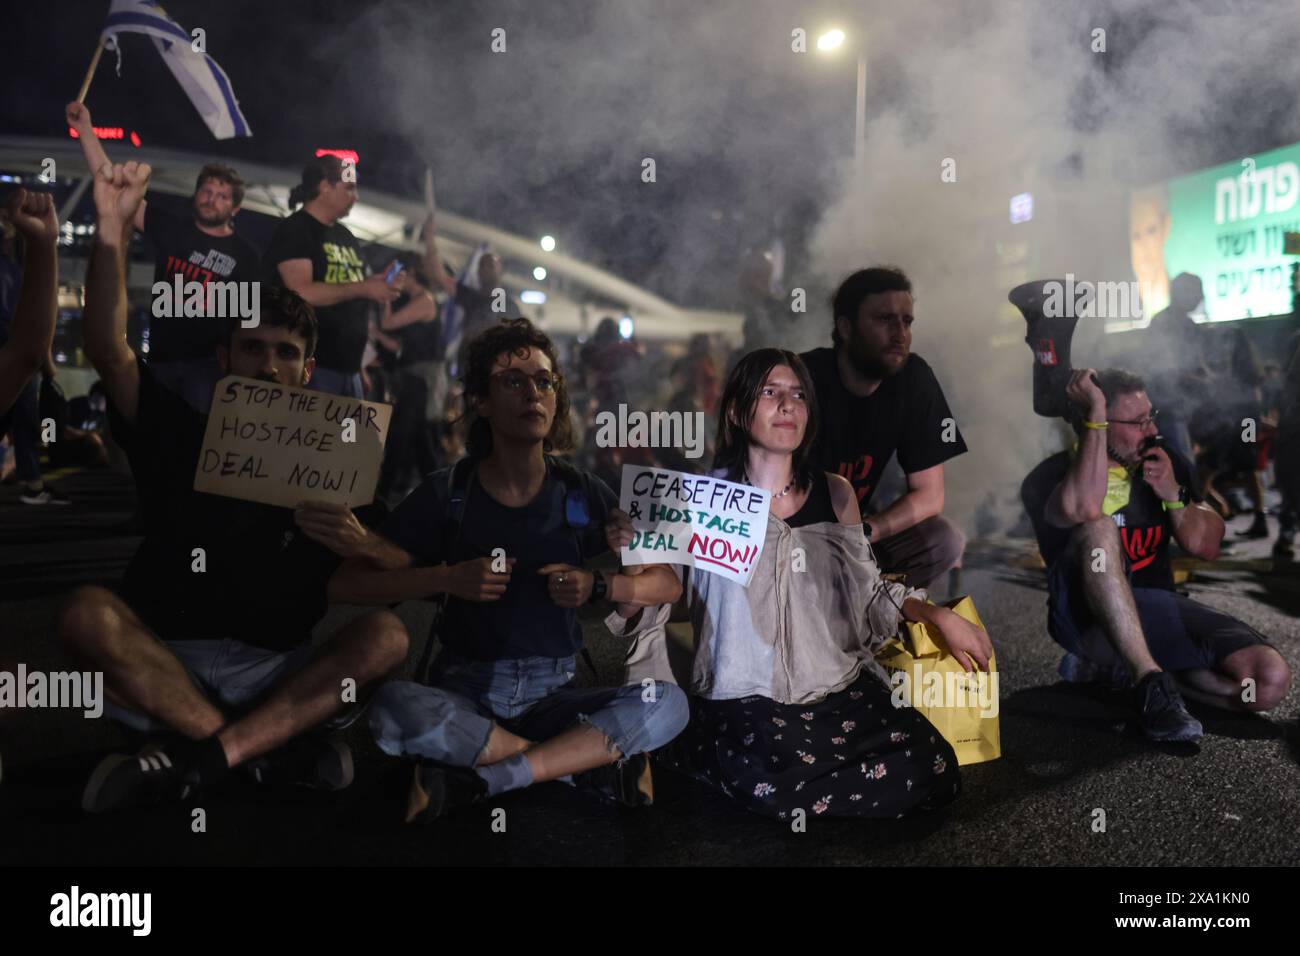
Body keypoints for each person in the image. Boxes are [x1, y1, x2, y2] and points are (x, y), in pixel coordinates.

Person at [57, 160, 410, 813]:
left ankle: (192, 752)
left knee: (388, 636)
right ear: (226, 362)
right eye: (252, 349)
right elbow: (108, 347)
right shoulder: (178, 426)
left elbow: (404, 564)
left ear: (307, 372)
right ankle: (261, 749)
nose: (268, 366)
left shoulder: (337, 458)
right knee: (84, 612)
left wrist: (364, 540)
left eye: (284, 354)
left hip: (276, 669)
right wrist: (110, 226)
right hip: (165, 660)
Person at [606, 349, 992, 820]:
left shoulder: (835, 493)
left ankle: (792, 783)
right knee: (772, 783)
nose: (787, 405)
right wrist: (629, 561)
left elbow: (867, 597)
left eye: (798, 395)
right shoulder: (700, 500)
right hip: (744, 698)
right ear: (736, 410)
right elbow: (653, 597)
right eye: (770, 392)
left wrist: (934, 614)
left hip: (834, 688)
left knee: (933, 766)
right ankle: (706, 754)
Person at [329, 318, 689, 823]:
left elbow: (665, 583)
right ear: (478, 398)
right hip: (465, 691)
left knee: (670, 703)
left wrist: (601, 582)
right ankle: (577, 766)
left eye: (545, 382)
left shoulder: (582, 490)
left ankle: (490, 775)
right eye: (513, 381)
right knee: (393, 705)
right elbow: (347, 582)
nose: (533, 393)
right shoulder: (448, 491)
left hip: (556, 696)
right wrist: (445, 578)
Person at [1020, 368, 1292, 743]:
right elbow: (1082, 509)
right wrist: (1094, 413)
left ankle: (1139, 676)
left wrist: (1173, 496)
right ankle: (1148, 681)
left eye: (1151, 417)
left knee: (1266, 683)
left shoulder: (1165, 462)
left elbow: (1206, 546)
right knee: (1098, 528)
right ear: (1095, 421)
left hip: (1155, 610)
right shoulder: (1050, 476)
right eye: (1136, 422)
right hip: (1088, 621)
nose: (1150, 431)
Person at [66, 102, 260, 413]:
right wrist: (85, 130)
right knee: (156, 444)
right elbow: (114, 192)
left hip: (209, 368)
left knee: (196, 444)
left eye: (222, 196)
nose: (212, 200)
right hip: (159, 360)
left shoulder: (247, 256)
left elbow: (249, 320)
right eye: (207, 192)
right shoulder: (172, 228)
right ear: (196, 195)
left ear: (235, 208)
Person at [799, 267, 967, 588]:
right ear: (846, 328)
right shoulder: (802, 378)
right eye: (884, 319)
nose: (900, 333)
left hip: (854, 537)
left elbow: (930, 494)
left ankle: (868, 609)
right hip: (792, 540)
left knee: (944, 540)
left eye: (907, 321)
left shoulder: (914, 378)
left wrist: (866, 531)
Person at [264, 155, 405, 398]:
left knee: (347, 438)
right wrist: (362, 288)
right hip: (312, 367)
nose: (356, 197)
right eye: (350, 188)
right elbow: (301, 291)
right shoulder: (296, 229)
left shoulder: (346, 235)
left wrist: (378, 284)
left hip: (348, 369)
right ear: (324, 186)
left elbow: (352, 291)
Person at [0, 190, 60, 492]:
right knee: (24, 418)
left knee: (26, 419)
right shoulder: (8, 266)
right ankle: (30, 477)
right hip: (10, 348)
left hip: (18, 350)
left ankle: (29, 475)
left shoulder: (17, 265)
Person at [421, 211, 519, 376]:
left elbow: (499, 324)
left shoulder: (500, 298)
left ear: (501, 272)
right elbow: (441, 277)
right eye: (481, 266)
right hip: (467, 368)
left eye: (490, 266)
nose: (484, 270)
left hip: (490, 372)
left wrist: (475, 332)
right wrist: (429, 238)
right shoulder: (472, 297)